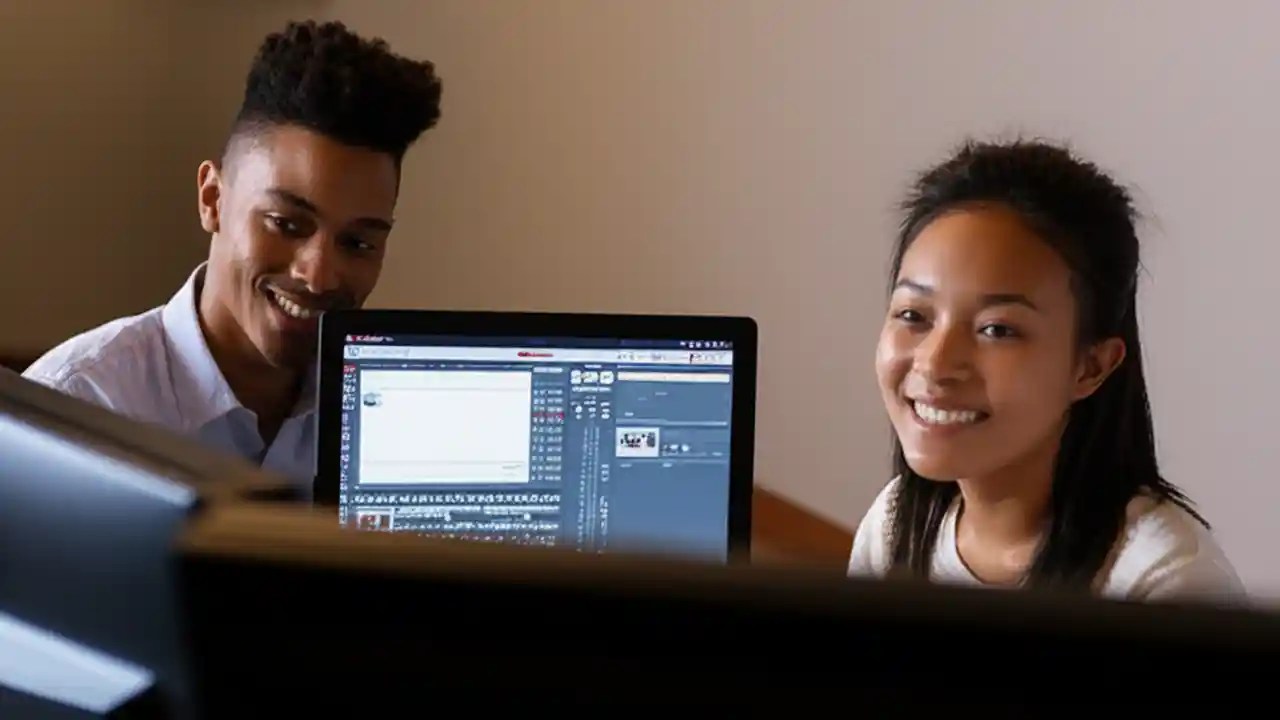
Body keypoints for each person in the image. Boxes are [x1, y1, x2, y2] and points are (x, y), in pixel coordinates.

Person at [23, 20, 442, 496]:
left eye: (358, 243)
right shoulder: (74, 408)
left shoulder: (391, 420)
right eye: (286, 224)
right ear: (212, 199)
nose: (320, 276)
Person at [847, 138, 1245, 604]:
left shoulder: (1166, 583)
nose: (935, 363)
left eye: (996, 329)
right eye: (914, 315)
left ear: (1090, 367)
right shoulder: (896, 524)